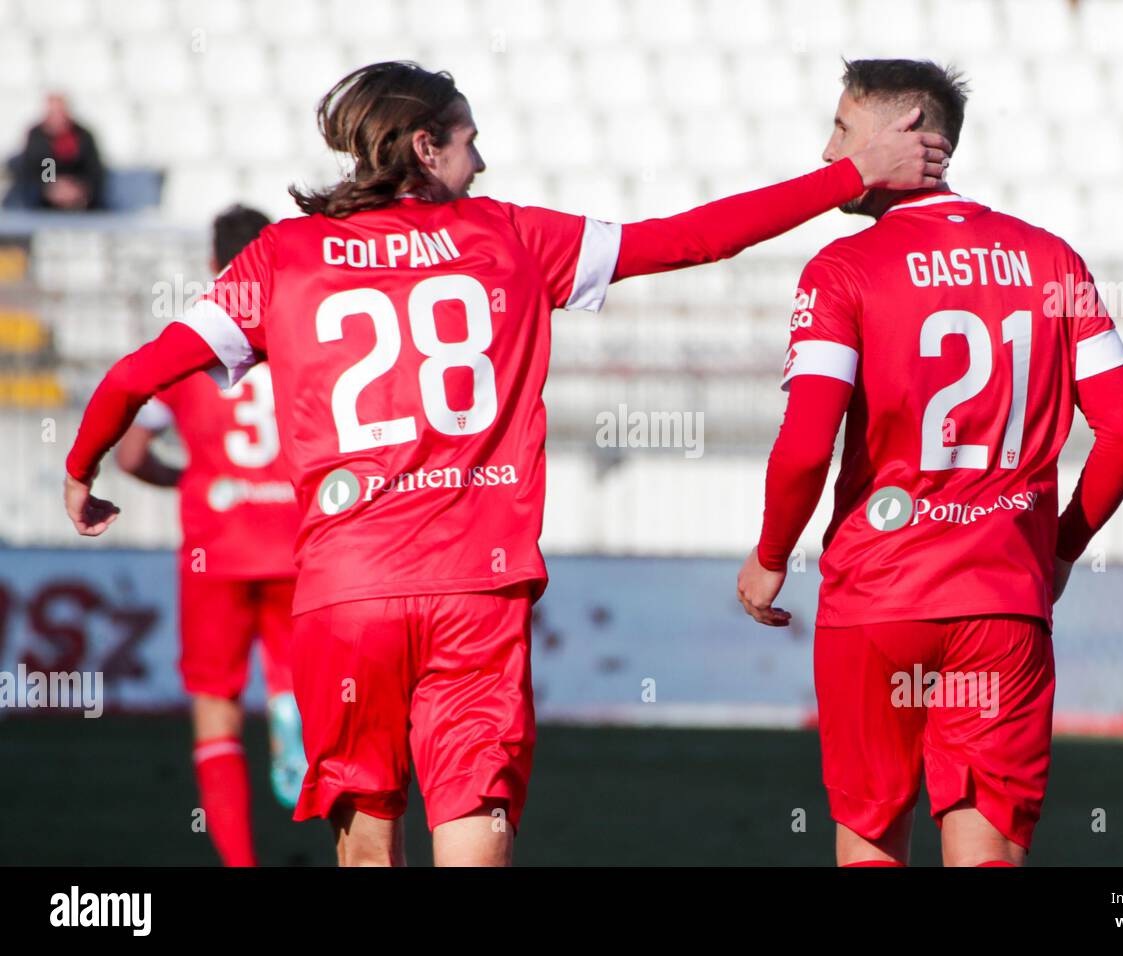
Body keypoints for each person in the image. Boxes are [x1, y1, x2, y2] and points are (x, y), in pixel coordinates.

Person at [62, 61, 950, 867]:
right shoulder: (513, 238)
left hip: (346, 595)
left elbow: (137, 374)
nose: (481, 162)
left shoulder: (283, 254)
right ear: (423, 145)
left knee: (369, 847)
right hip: (475, 597)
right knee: (474, 833)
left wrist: (81, 465)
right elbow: (690, 239)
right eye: (469, 140)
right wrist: (849, 177)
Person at [736, 59, 1123, 866]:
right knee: (986, 851)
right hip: (1002, 598)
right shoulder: (1052, 260)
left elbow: (807, 443)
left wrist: (772, 553)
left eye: (844, 130)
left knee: (871, 843)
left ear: (910, 134)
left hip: (877, 601)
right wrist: (1060, 548)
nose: (828, 154)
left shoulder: (843, 269)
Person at [115, 204, 307, 867]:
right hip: (298, 541)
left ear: (210, 262)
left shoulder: (196, 335)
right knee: (302, 682)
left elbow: (133, 452)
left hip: (215, 546)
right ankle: (289, 709)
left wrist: (188, 477)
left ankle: (238, 862)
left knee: (216, 707)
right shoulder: (302, 329)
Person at [5, 93, 105, 211]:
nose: (57, 118)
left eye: (60, 112)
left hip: (80, 198)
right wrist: (51, 188)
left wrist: (77, 188)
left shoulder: (83, 136)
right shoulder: (37, 135)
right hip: (41, 199)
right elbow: (35, 167)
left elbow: (93, 169)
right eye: (53, 113)